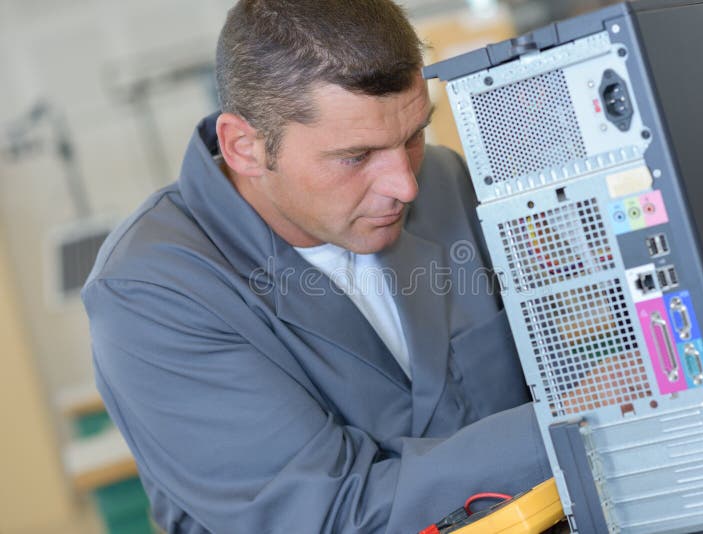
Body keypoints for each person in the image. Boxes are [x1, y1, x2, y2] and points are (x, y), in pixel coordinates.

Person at [83, 1, 551, 532]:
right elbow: (332, 515)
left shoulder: (444, 182)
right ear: (244, 147)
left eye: (414, 135)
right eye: (356, 157)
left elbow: (555, 360)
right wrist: (568, 423)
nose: (405, 185)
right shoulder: (149, 295)